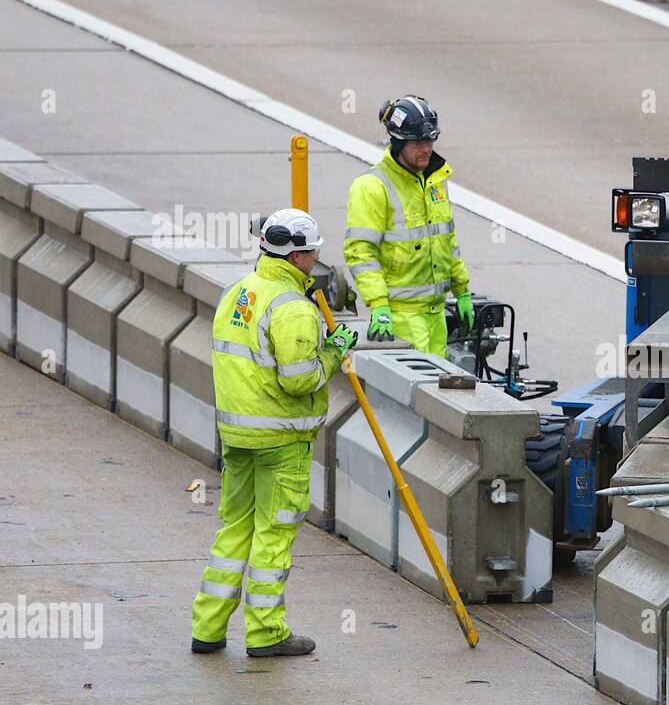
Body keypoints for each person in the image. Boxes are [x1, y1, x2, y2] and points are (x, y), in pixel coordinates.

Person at [191, 209, 358, 656]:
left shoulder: (237, 292)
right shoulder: (293, 308)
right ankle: (266, 633)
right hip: (282, 442)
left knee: (234, 531)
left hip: (236, 436)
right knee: (274, 533)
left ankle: (207, 629)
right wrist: (334, 350)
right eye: (314, 252)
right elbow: (300, 380)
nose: (317, 259)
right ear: (299, 256)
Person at [344, 95, 473, 356]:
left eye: (429, 140)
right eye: (417, 142)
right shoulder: (372, 187)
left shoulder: (435, 182)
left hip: (437, 315)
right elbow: (360, 252)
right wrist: (379, 305)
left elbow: (447, 241)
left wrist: (462, 291)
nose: (426, 148)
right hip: (400, 318)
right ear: (398, 142)